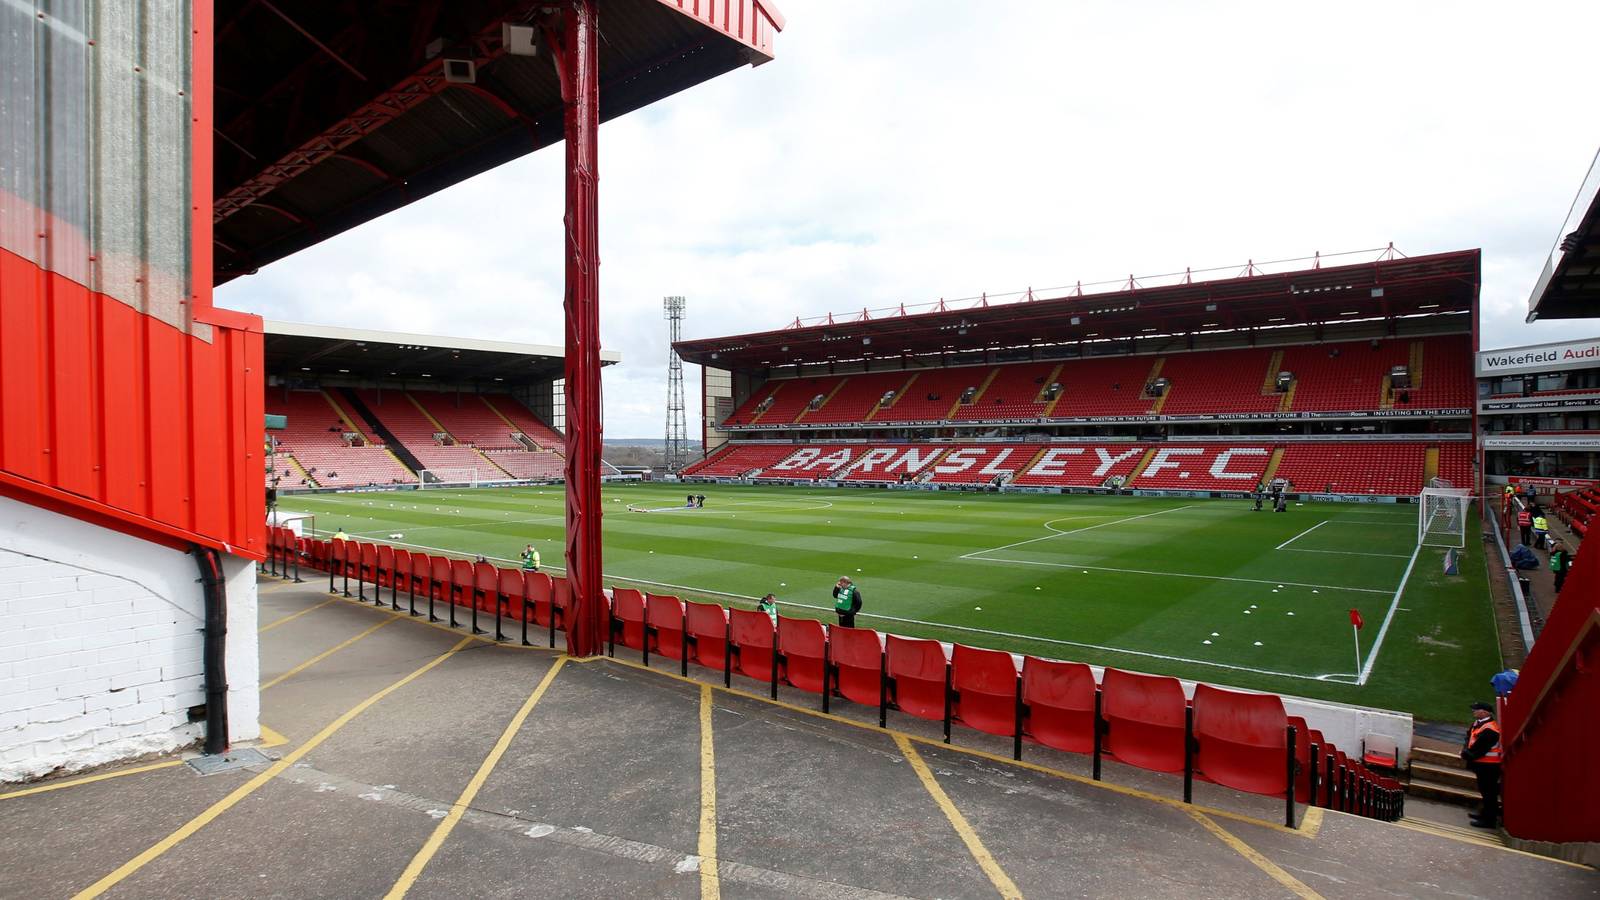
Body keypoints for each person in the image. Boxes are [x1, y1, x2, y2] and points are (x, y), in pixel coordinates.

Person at [1461, 701, 1502, 828]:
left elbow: (1481, 748)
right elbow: (1469, 738)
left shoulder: (1490, 729)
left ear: (1484, 712)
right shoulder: (1480, 724)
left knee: (1489, 793)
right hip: (1482, 764)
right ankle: (1485, 815)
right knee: (1485, 792)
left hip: (1489, 766)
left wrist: (1467, 754)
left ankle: (1489, 820)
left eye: (1476, 709)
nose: (1473, 711)